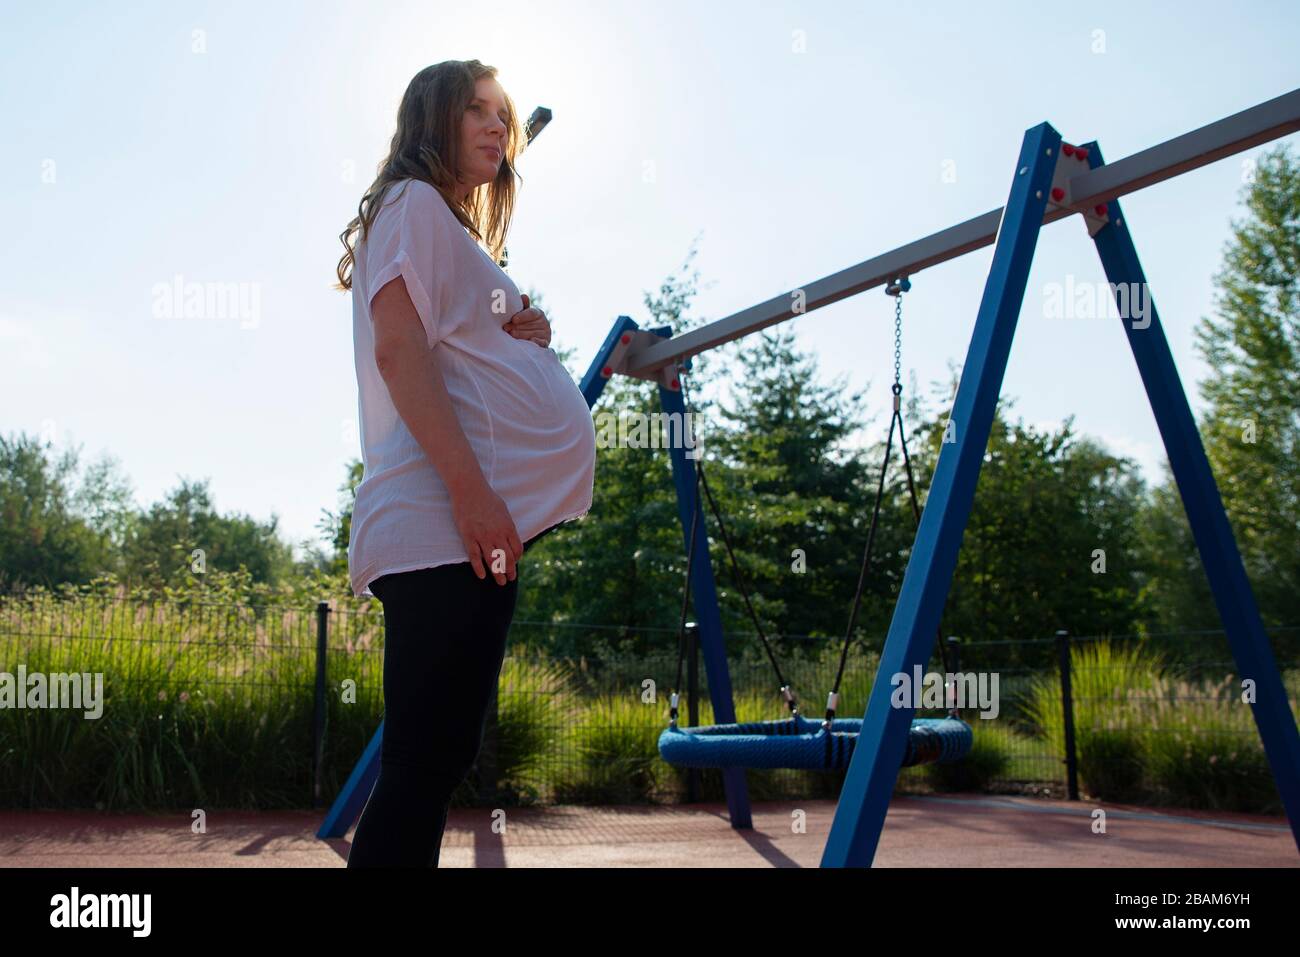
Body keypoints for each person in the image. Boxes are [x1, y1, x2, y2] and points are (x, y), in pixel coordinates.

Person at [333, 59, 596, 867]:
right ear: (433, 121)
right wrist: (475, 496)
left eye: (502, 115)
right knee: (419, 768)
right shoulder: (412, 203)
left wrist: (517, 328)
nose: (497, 127)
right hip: (447, 524)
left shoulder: (440, 226)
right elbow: (399, 348)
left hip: (468, 529)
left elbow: (448, 346)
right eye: (477, 111)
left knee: (431, 763)